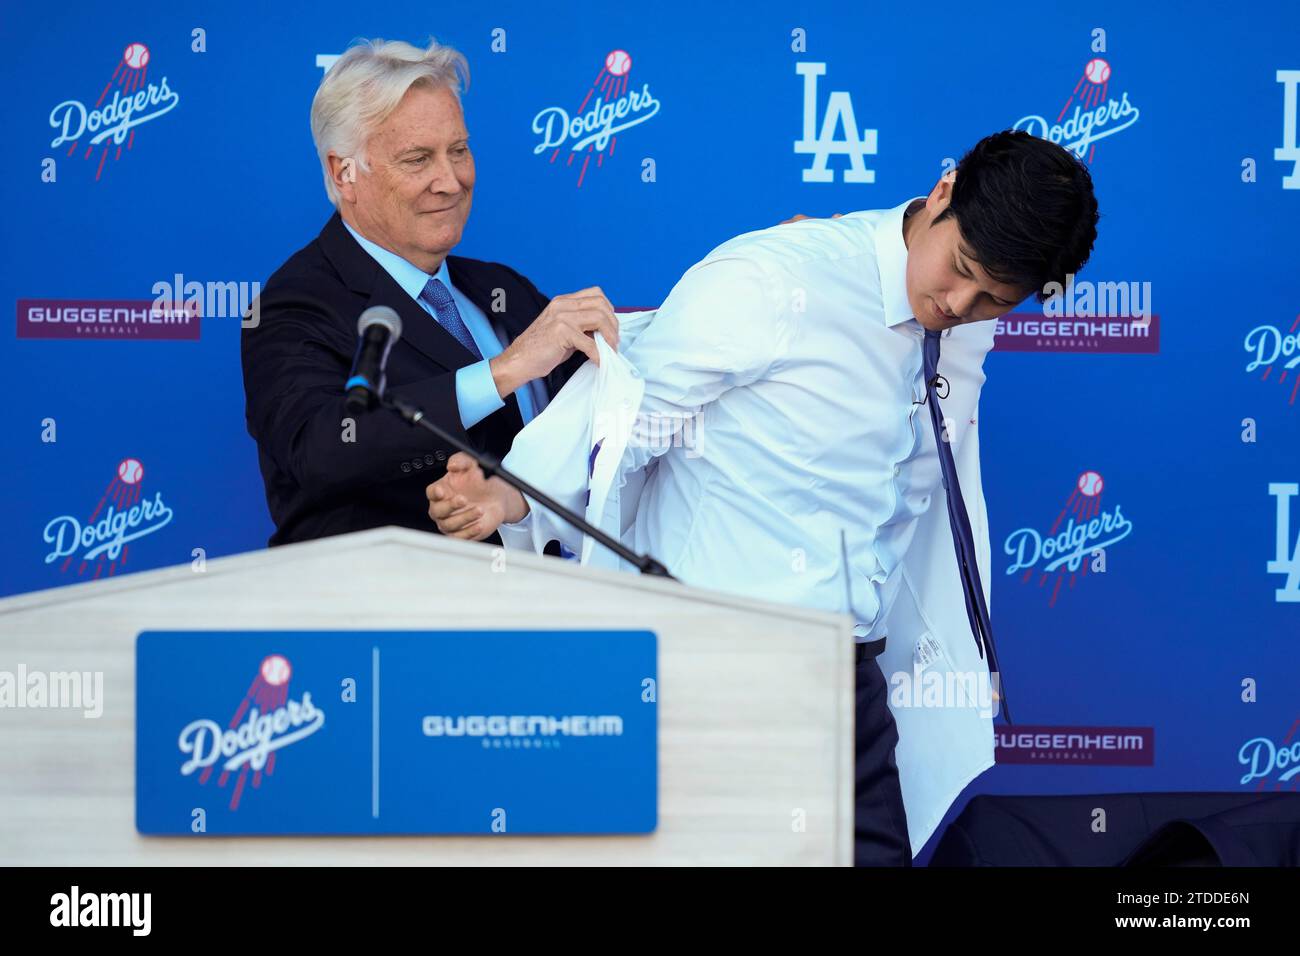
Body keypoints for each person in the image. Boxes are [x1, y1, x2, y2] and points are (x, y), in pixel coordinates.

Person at [426, 129, 1099, 864]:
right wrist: (514, 496)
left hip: (850, 681)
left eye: (991, 301)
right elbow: (628, 417)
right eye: (960, 270)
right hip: (725, 677)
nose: (956, 303)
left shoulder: (963, 329)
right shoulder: (776, 279)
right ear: (941, 196)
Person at [241, 37, 619, 546]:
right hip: (388, 613)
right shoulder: (292, 305)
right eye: (418, 159)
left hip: (544, 607)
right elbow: (321, 451)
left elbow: (599, 438)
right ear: (343, 173)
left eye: (458, 151)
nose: (450, 180)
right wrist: (505, 371)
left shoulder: (500, 288)